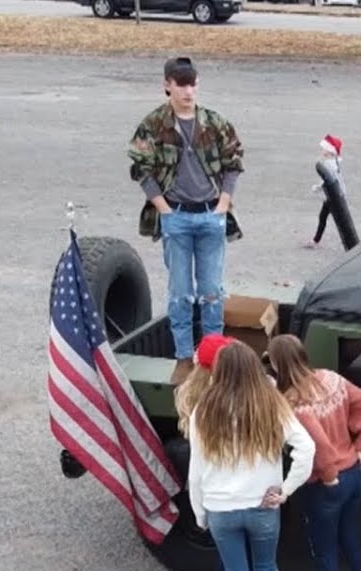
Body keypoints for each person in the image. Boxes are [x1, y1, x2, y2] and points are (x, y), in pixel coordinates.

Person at [187, 337, 316, 571]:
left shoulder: (204, 408)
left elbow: (196, 472)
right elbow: (306, 448)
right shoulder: (269, 403)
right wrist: (286, 489)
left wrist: (200, 513)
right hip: (263, 505)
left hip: (220, 508)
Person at [127, 56, 244, 380]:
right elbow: (140, 167)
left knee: (211, 292)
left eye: (193, 83)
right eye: (181, 84)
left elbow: (234, 161)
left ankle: (212, 358)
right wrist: (163, 208)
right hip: (176, 217)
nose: (188, 91)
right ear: (167, 85)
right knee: (180, 292)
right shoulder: (153, 124)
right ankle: (183, 358)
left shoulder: (215, 122)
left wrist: (223, 203)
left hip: (210, 215)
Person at [264, 334, 361, 571]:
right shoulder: (331, 378)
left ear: (277, 364)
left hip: (327, 484)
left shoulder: (290, 402)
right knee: (352, 541)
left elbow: (316, 443)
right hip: (355, 475)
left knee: (325, 553)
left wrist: (328, 472)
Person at [304, 134, 345, 249]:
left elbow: (327, 180)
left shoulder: (329, 164)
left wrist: (317, 188)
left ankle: (316, 240)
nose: (322, 151)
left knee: (329, 218)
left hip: (332, 197)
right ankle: (316, 239)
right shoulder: (334, 163)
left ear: (330, 152)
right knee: (327, 217)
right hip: (334, 196)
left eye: (324, 149)